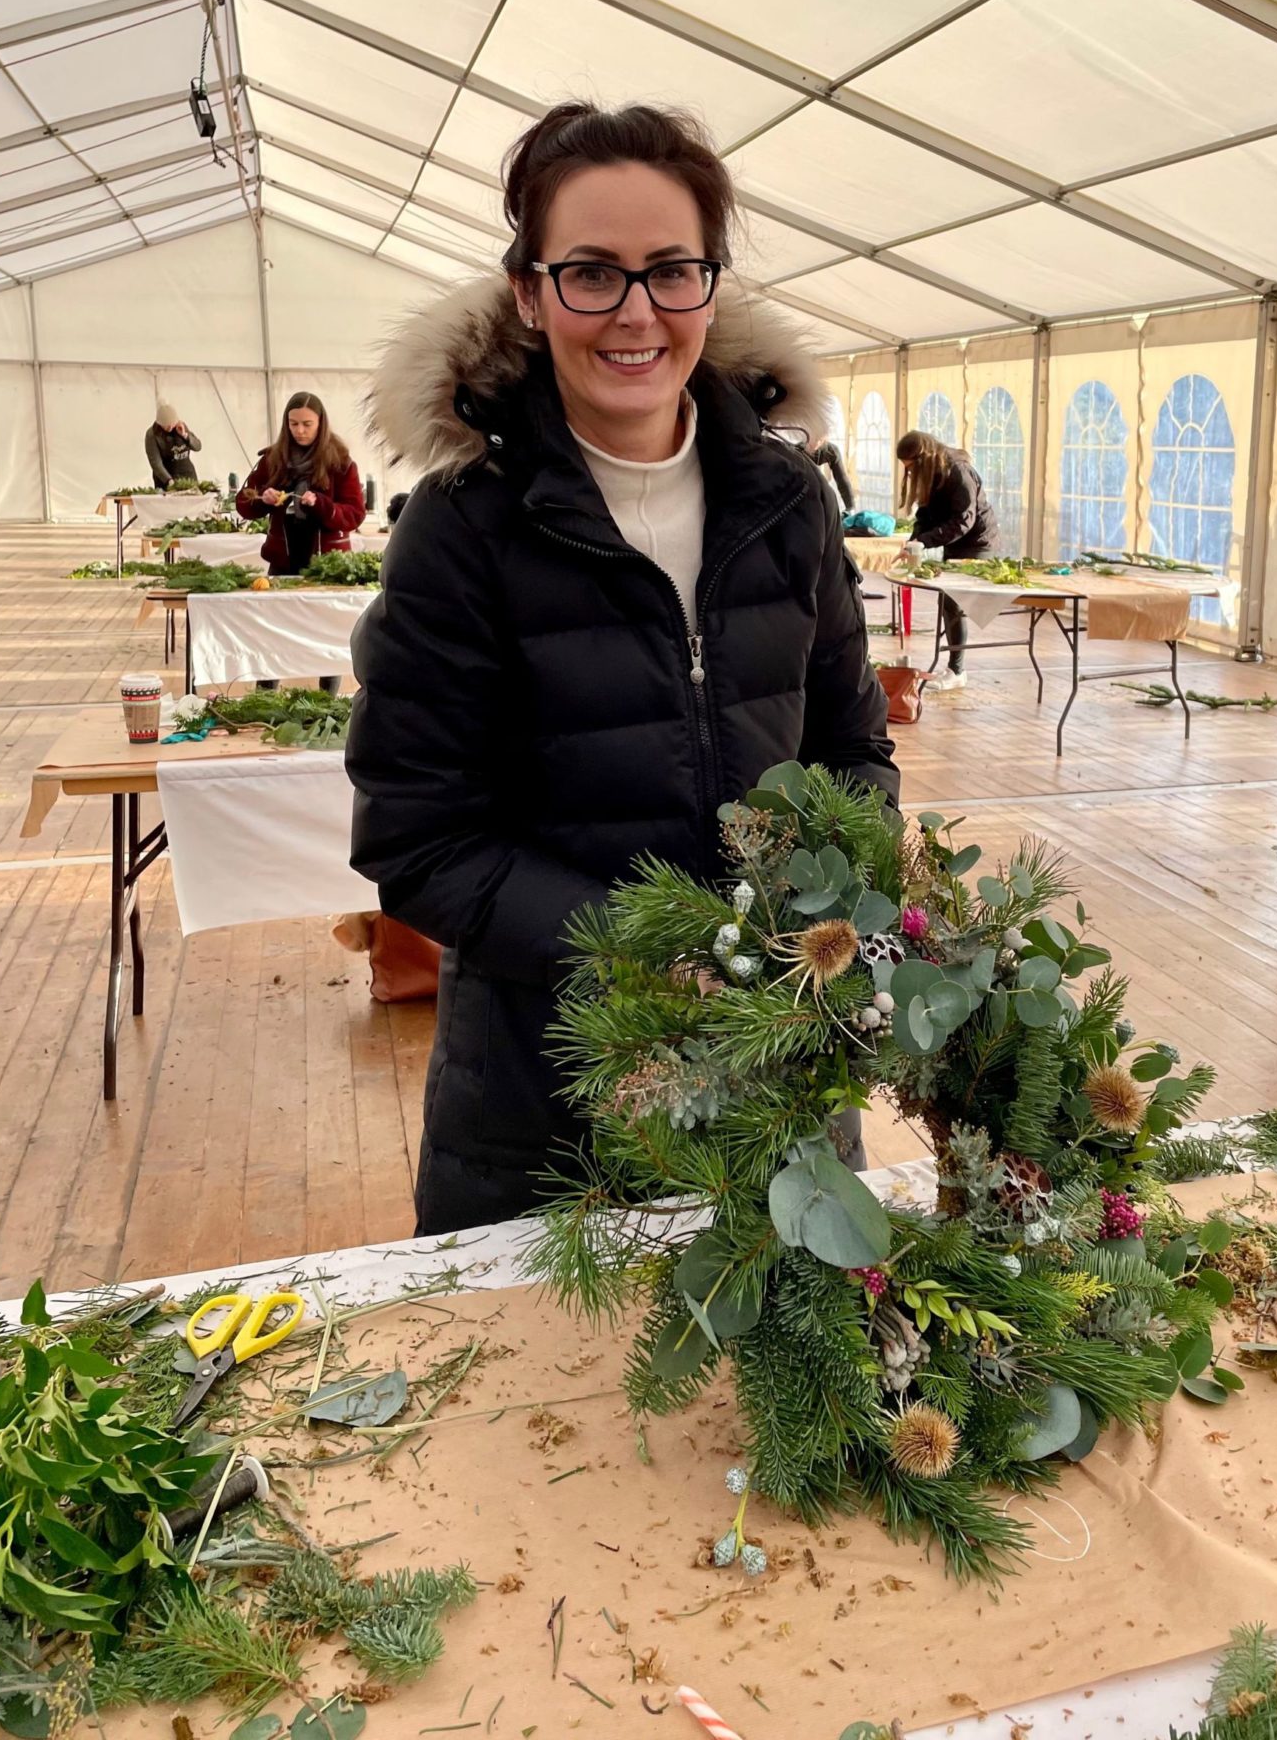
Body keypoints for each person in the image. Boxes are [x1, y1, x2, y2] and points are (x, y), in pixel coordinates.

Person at [346, 101, 897, 1232]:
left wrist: (825, 912)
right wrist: (653, 958)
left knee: (797, 1371)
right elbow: (417, 838)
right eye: (591, 272)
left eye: (669, 270)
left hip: (780, 1072)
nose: (635, 312)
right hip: (547, 1098)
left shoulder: (789, 503)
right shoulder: (464, 529)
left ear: (710, 283)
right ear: (531, 291)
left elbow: (852, 751)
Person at [235, 392, 366, 693]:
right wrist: (263, 498)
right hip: (283, 559)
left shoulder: (342, 463)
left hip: (326, 564)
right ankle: (265, 697)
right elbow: (243, 503)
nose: (300, 430)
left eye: (307, 424)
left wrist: (322, 504)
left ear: (321, 424)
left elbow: (355, 514)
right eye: (293, 424)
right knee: (272, 631)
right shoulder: (272, 458)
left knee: (325, 634)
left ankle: (325, 702)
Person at [896, 429, 999, 691]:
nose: (909, 474)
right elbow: (926, 515)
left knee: (954, 603)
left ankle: (957, 670)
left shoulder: (958, 472)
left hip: (977, 545)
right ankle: (954, 666)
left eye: (911, 468)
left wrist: (925, 541)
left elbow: (964, 520)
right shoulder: (933, 473)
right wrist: (913, 542)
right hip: (956, 544)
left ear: (924, 458)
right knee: (949, 603)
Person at [145, 401, 201, 487]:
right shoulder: (152, 435)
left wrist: (185, 435)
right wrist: (169, 481)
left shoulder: (181, 426)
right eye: (166, 425)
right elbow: (156, 463)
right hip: (166, 478)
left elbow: (198, 447)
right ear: (159, 423)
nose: (170, 427)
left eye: (172, 424)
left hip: (188, 475)